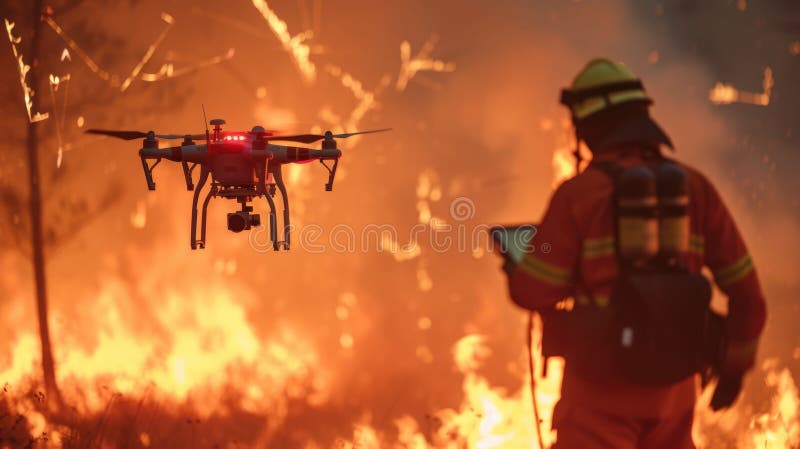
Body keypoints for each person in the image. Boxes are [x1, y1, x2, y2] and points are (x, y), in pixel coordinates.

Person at [505, 58, 767, 449]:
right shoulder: (696, 188)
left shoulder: (578, 195)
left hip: (599, 395)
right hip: (675, 395)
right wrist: (734, 369)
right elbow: (749, 296)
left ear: (587, 128)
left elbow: (531, 292)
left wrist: (516, 267)